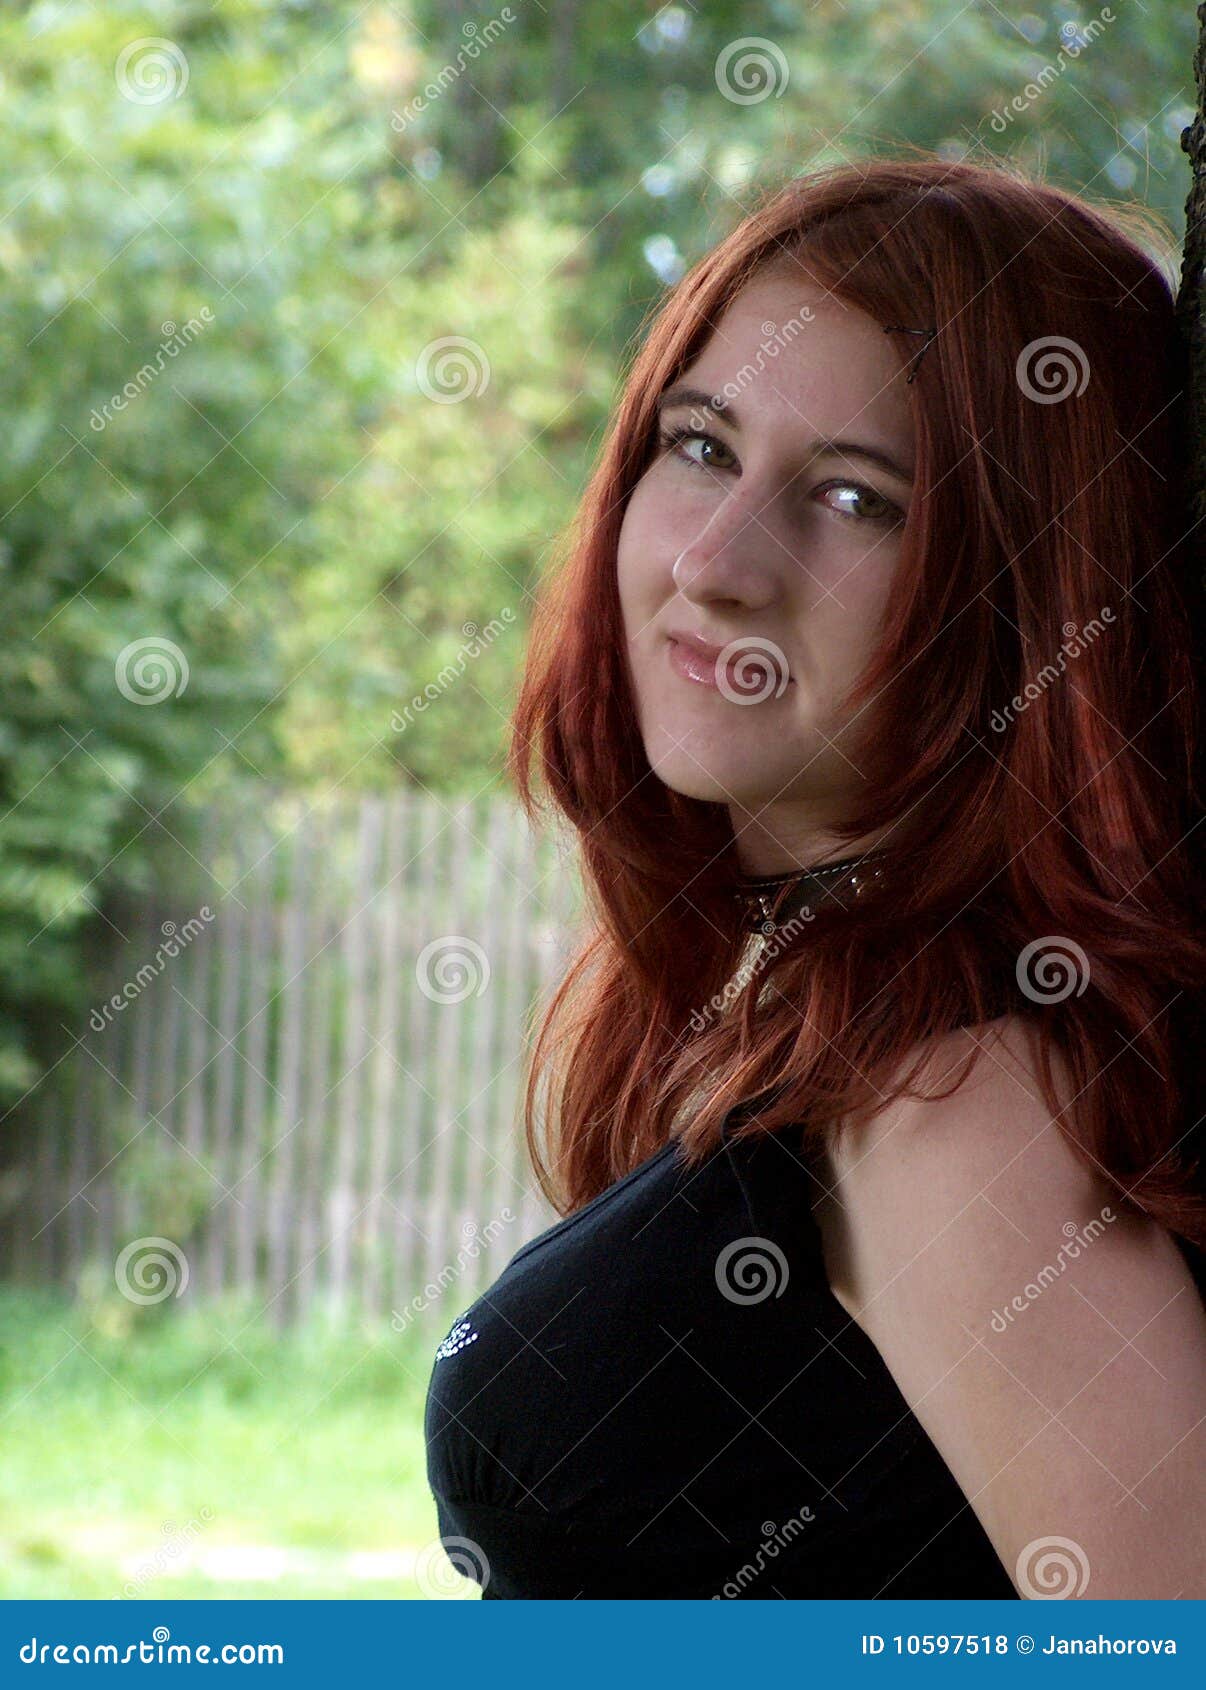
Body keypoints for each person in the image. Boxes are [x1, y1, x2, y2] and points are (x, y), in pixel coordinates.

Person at [424, 153, 1206, 1600]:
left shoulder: (958, 1096)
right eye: (701, 447)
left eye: (854, 498)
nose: (717, 564)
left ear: (1030, 591)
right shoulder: (826, 1007)